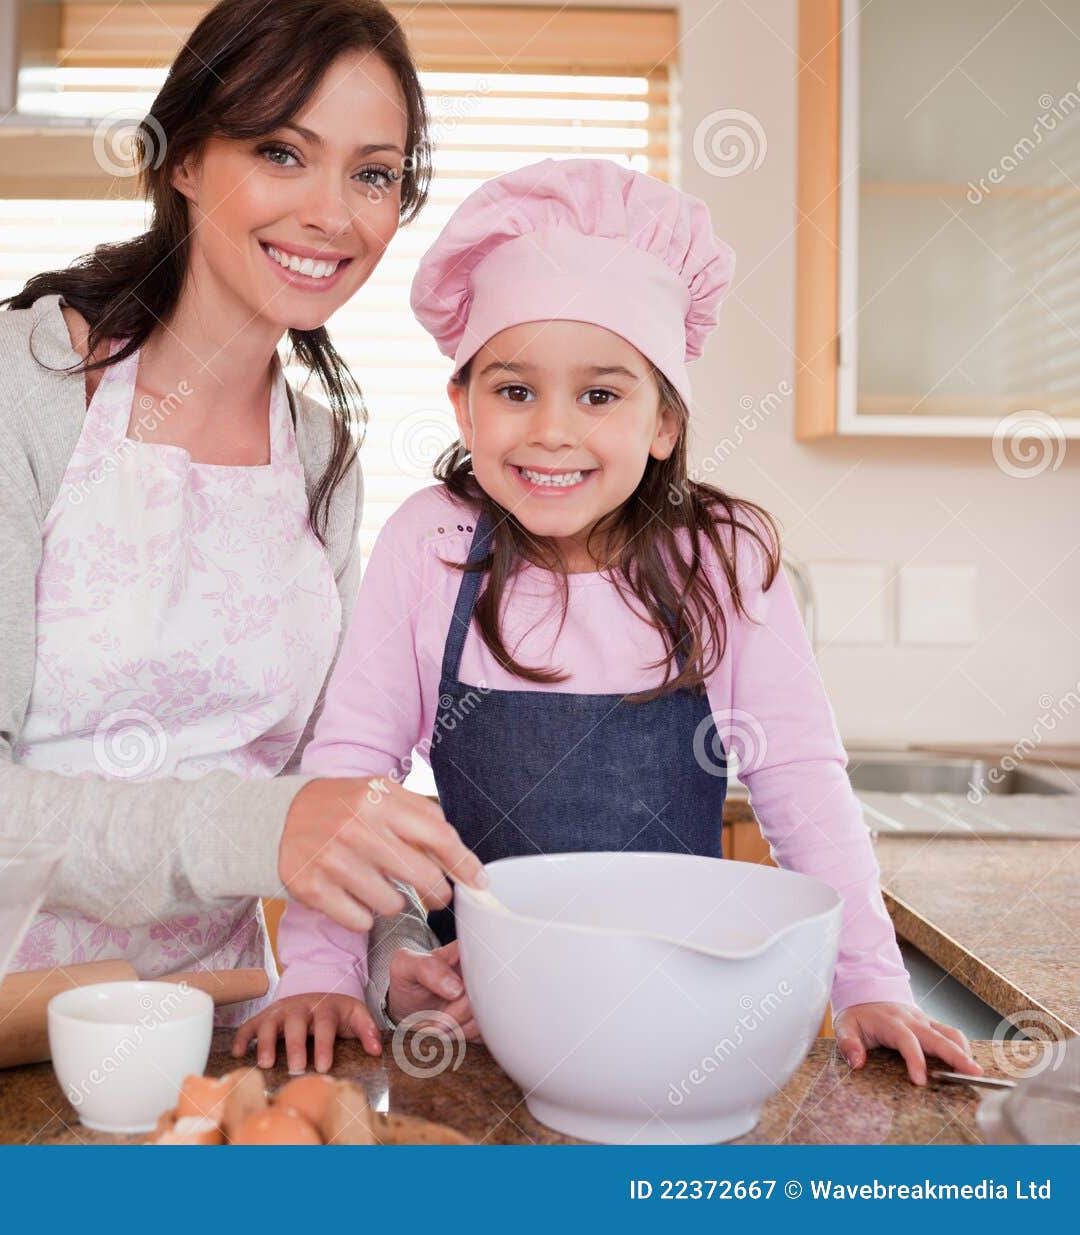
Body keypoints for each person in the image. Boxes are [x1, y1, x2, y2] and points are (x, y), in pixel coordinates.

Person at [235, 157, 983, 1083]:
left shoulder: (724, 556)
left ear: (664, 420)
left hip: (676, 1012)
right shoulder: (432, 542)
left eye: (600, 394)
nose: (552, 430)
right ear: (463, 405)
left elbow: (800, 779)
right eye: (515, 390)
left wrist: (868, 980)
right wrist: (323, 970)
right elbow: (352, 776)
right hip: (489, 1011)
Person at [0, 0, 483, 1027]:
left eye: (372, 174)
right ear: (183, 158)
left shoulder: (320, 454)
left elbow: (323, 778)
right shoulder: (1, 387)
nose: (333, 213)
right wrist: (259, 830)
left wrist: (389, 948)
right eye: (281, 152)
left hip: (194, 1029)